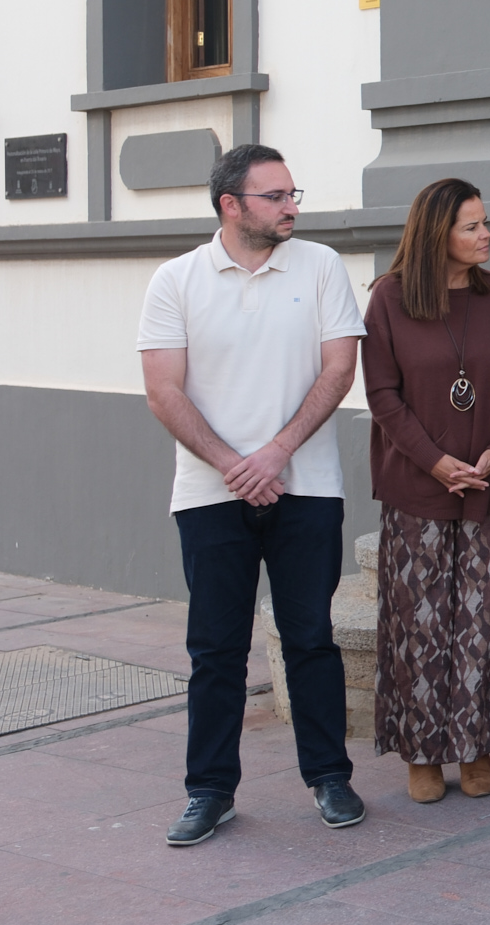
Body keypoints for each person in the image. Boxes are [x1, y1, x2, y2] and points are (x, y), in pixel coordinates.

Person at [136, 144, 367, 845]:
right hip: (209, 494)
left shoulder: (322, 267)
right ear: (230, 205)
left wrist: (276, 454)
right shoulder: (176, 281)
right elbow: (162, 390)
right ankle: (209, 790)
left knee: (310, 638)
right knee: (215, 648)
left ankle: (330, 777)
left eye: (294, 193)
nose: (292, 205)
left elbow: (338, 370)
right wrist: (234, 464)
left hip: (307, 487)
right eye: (276, 196)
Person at [361, 177, 490, 802]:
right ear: (438, 234)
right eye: (472, 227)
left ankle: (475, 743)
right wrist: (436, 463)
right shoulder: (389, 299)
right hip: (417, 488)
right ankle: (423, 750)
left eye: (485, 223)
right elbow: (382, 395)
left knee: (481, 620)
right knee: (420, 622)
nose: (486, 235)